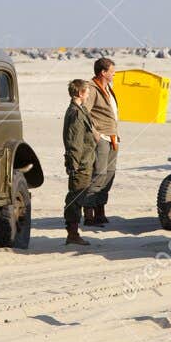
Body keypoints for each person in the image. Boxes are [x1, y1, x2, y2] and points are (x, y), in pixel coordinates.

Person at [80, 57, 119, 226]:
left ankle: (100, 212)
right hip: (101, 138)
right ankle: (89, 215)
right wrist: (95, 133)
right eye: (112, 71)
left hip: (113, 137)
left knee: (109, 175)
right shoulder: (92, 88)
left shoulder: (108, 88)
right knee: (98, 175)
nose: (114, 74)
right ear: (103, 72)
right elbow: (84, 113)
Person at [61, 79, 95, 246]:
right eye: (87, 92)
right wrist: (75, 166)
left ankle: (73, 232)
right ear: (80, 93)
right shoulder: (75, 113)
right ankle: (72, 234)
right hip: (80, 164)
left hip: (84, 161)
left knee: (78, 197)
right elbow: (75, 142)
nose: (88, 95)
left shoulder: (79, 111)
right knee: (76, 198)